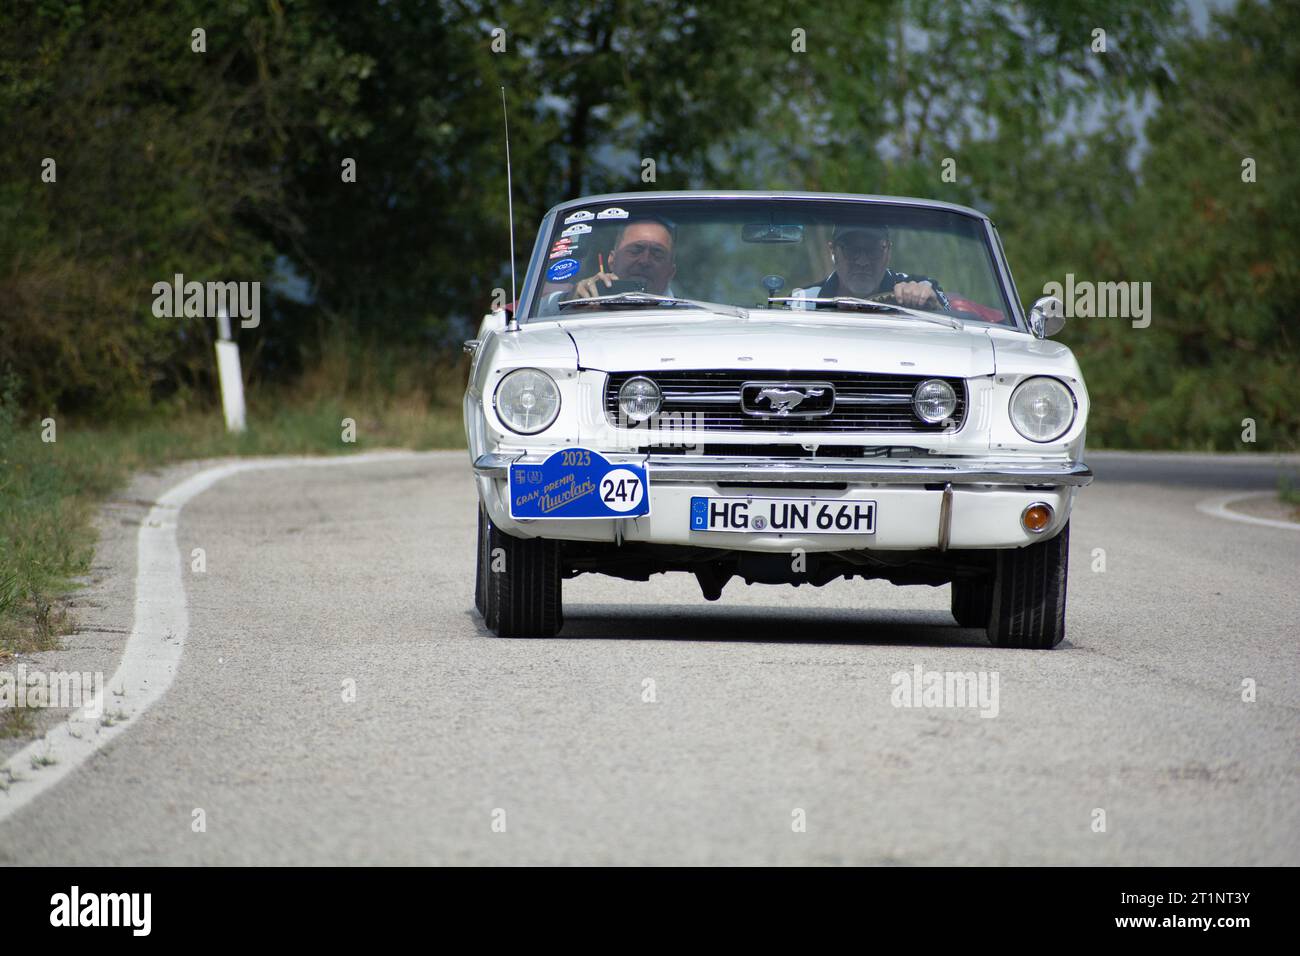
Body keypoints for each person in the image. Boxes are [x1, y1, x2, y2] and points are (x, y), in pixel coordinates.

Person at [793, 223, 949, 310]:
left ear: (888, 252)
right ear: (832, 250)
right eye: (851, 250)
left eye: (873, 250)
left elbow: (954, 323)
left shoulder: (921, 286)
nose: (862, 262)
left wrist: (928, 303)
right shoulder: (803, 301)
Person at [569, 218, 677, 298]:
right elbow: (552, 305)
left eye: (657, 254)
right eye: (635, 250)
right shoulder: (590, 303)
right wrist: (573, 299)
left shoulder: (690, 315)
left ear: (670, 272)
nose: (645, 261)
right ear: (612, 261)